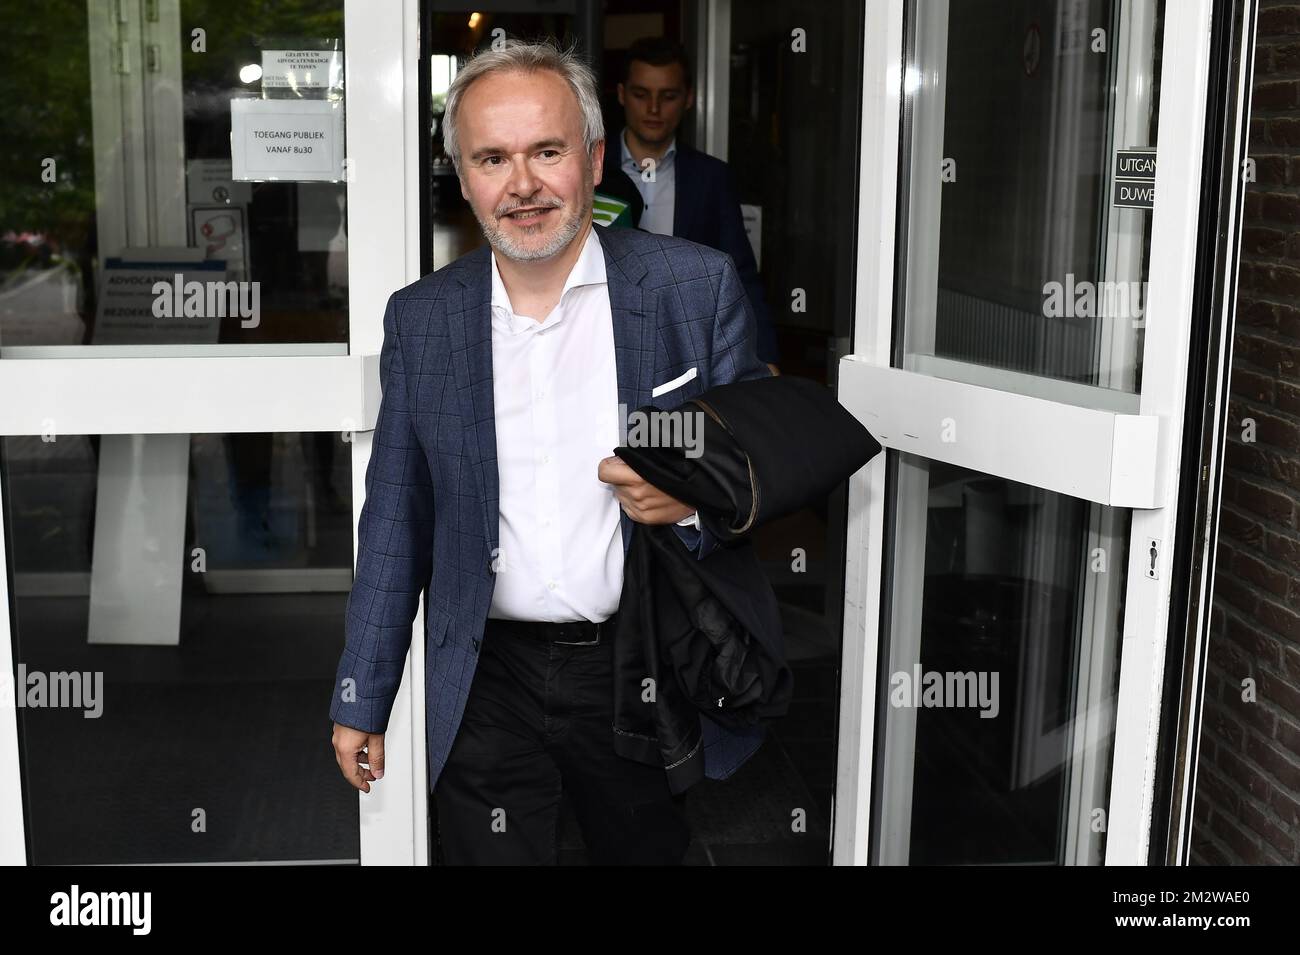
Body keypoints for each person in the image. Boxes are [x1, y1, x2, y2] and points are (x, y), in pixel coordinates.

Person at [328, 38, 772, 865]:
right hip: (486, 674)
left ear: (595, 159)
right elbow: (395, 515)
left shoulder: (690, 288)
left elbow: (753, 461)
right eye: (492, 157)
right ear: (462, 177)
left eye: (547, 151)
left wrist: (691, 503)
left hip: (635, 664)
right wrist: (363, 689)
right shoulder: (422, 320)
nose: (522, 183)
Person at [606, 36, 780, 372]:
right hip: (605, 333)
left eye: (668, 96)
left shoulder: (712, 177)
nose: (653, 109)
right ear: (622, 95)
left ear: (688, 99)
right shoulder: (589, 168)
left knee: (681, 426)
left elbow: (740, 271)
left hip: (688, 340)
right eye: (642, 94)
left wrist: (765, 357)